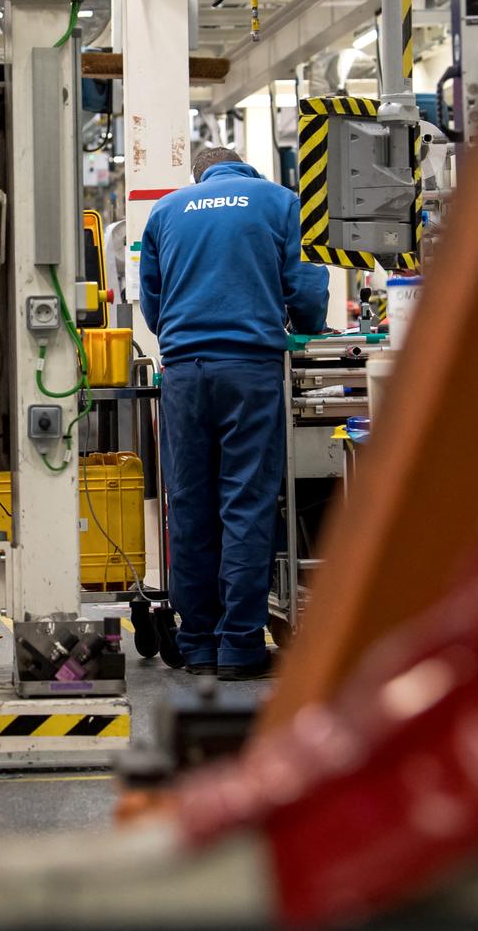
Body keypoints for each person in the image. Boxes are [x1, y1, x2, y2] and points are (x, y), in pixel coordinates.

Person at [138, 147, 328, 679]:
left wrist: (185, 333)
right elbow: (306, 284)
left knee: (189, 506)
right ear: (245, 167)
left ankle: (198, 643)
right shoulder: (279, 201)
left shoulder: (166, 210)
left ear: (198, 175)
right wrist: (307, 327)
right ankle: (240, 647)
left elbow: (152, 301)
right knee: (246, 503)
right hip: (249, 371)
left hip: (183, 374)